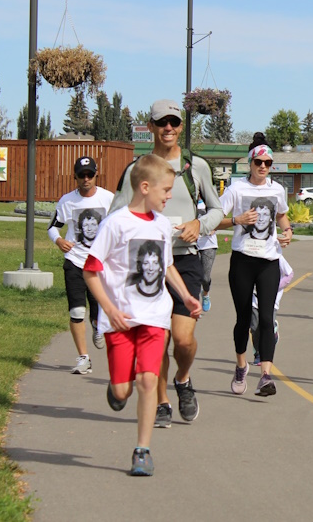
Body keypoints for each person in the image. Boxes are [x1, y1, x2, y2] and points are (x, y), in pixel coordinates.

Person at [83, 154, 203, 476]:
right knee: (123, 390)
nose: (168, 196)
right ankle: (115, 387)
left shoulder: (163, 226)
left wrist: (187, 296)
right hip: (120, 319)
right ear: (145, 187)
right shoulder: (115, 223)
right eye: (165, 190)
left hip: (154, 317)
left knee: (148, 380)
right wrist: (108, 310)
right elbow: (91, 271)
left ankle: (142, 451)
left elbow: (166, 267)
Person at [110, 99, 223, 428]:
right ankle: (161, 402)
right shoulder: (136, 169)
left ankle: (183, 380)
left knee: (183, 338)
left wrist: (199, 225)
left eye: (174, 122)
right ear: (152, 126)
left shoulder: (195, 167)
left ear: (181, 126)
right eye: (162, 123)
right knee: (156, 336)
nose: (168, 128)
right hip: (148, 263)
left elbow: (217, 210)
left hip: (187, 260)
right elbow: (116, 213)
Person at [218, 135, 293, 397]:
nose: (263, 166)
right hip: (242, 260)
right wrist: (236, 219)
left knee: (266, 318)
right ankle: (241, 366)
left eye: (268, 163)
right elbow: (215, 218)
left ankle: (265, 375)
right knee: (242, 319)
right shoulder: (236, 189)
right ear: (250, 162)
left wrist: (288, 231)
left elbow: (282, 215)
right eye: (259, 162)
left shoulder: (277, 190)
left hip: (269, 260)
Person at [48, 156, 114, 375]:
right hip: (75, 261)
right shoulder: (67, 201)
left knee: (98, 310)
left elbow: (120, 226)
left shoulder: (108, 199)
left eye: (90, 175)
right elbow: (53, 227)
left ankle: (97, 324)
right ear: (75, 177)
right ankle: (83, 358)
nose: (86, 179)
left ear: (96, 175)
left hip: (98, 264)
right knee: (76, 310)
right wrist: (59, 241)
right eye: (81, 175)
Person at [195, 198, 217, 312]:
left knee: (205, 277)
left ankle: (205, 294)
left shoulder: (209, 201)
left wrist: (215, 227)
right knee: (194, 275)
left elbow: (219, 216)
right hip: (193, 243)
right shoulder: (189, 201)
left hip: (209, 244)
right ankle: (193, 301)